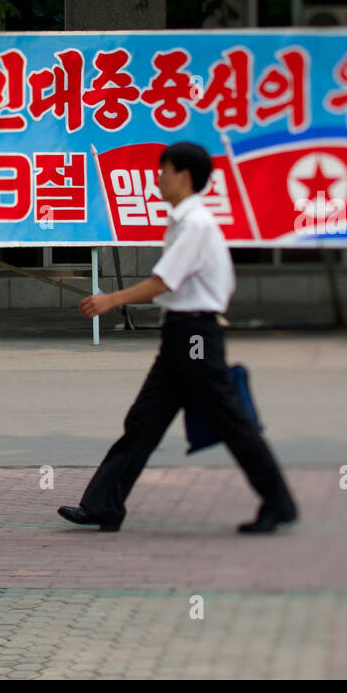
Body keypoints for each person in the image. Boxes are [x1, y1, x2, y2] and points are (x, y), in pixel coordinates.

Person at [57, 142, 299, 535]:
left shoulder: (196, 224)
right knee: (143, 421)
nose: (158, 177)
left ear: (183, 175)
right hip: (182, 333)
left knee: (232, 420)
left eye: (163, 170)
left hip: (195, 335)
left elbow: (163, 281)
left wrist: (109, 300)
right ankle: (103, 505)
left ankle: (278, 502)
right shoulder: (184, 222)